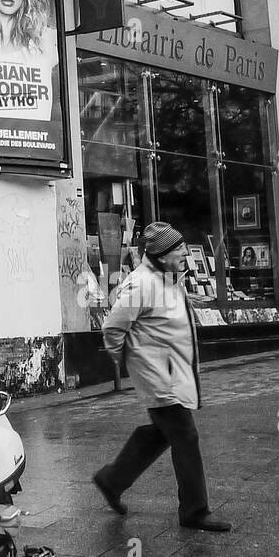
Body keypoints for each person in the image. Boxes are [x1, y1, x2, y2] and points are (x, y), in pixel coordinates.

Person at [91, 221, 232, 532]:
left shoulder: (167, 278)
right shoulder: (140, 283)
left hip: (172, 373)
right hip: (159, 378)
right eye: (178, 248)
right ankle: (195, 511)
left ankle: (112, 479)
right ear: (162, 253)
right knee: (186, 436)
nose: (184, 252)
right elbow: (113, 328)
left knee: (161, 433)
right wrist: (129, 362)